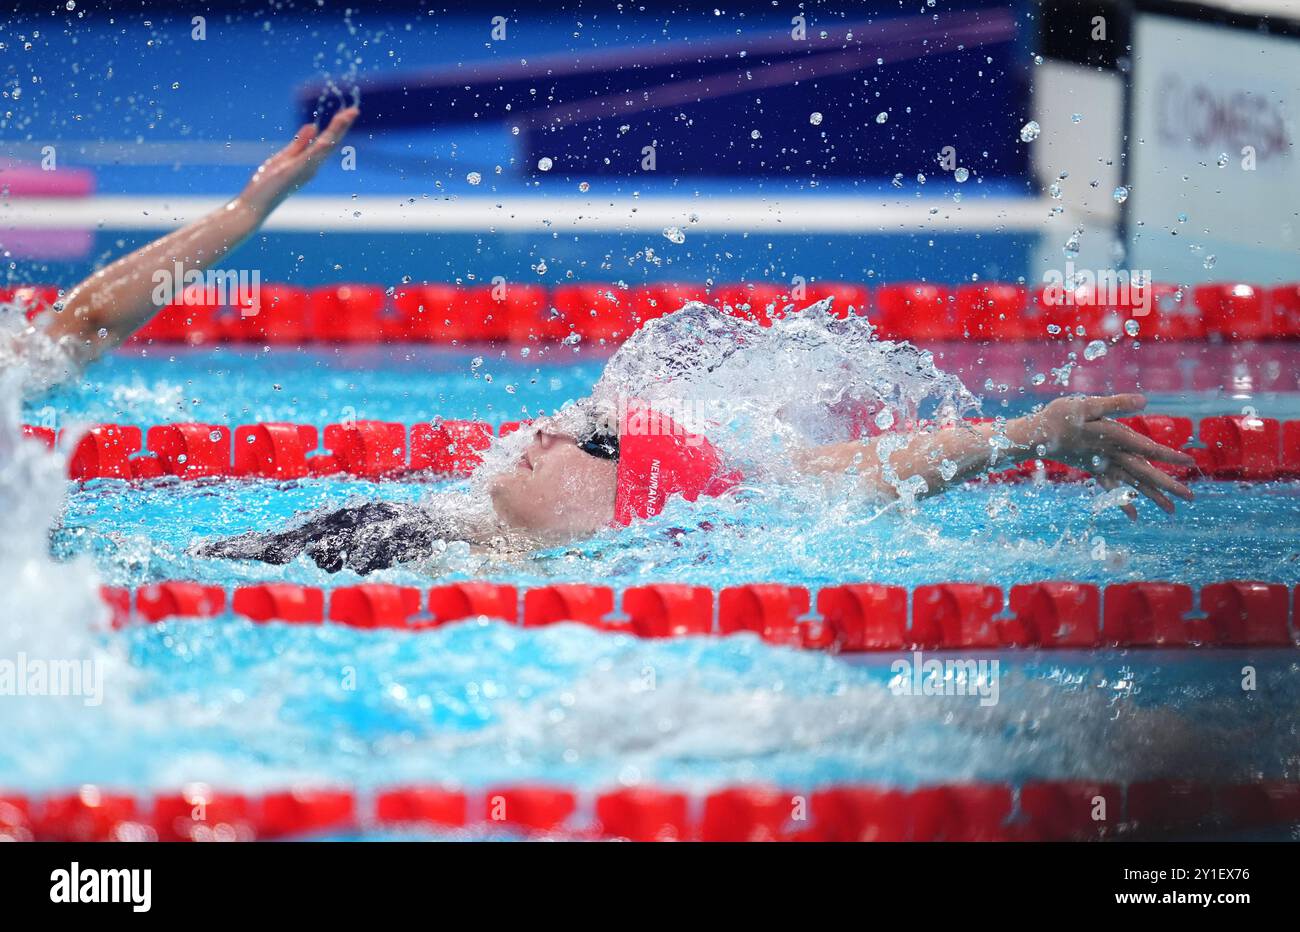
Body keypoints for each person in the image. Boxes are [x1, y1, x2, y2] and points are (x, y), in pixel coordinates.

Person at [23, 115, 1195, 574]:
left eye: (587, 434)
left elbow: (825, 481)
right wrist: (1022, 434)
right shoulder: (441, 518)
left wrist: (1021, 438)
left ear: (625, 503)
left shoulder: (499, 574)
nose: (541, 425)